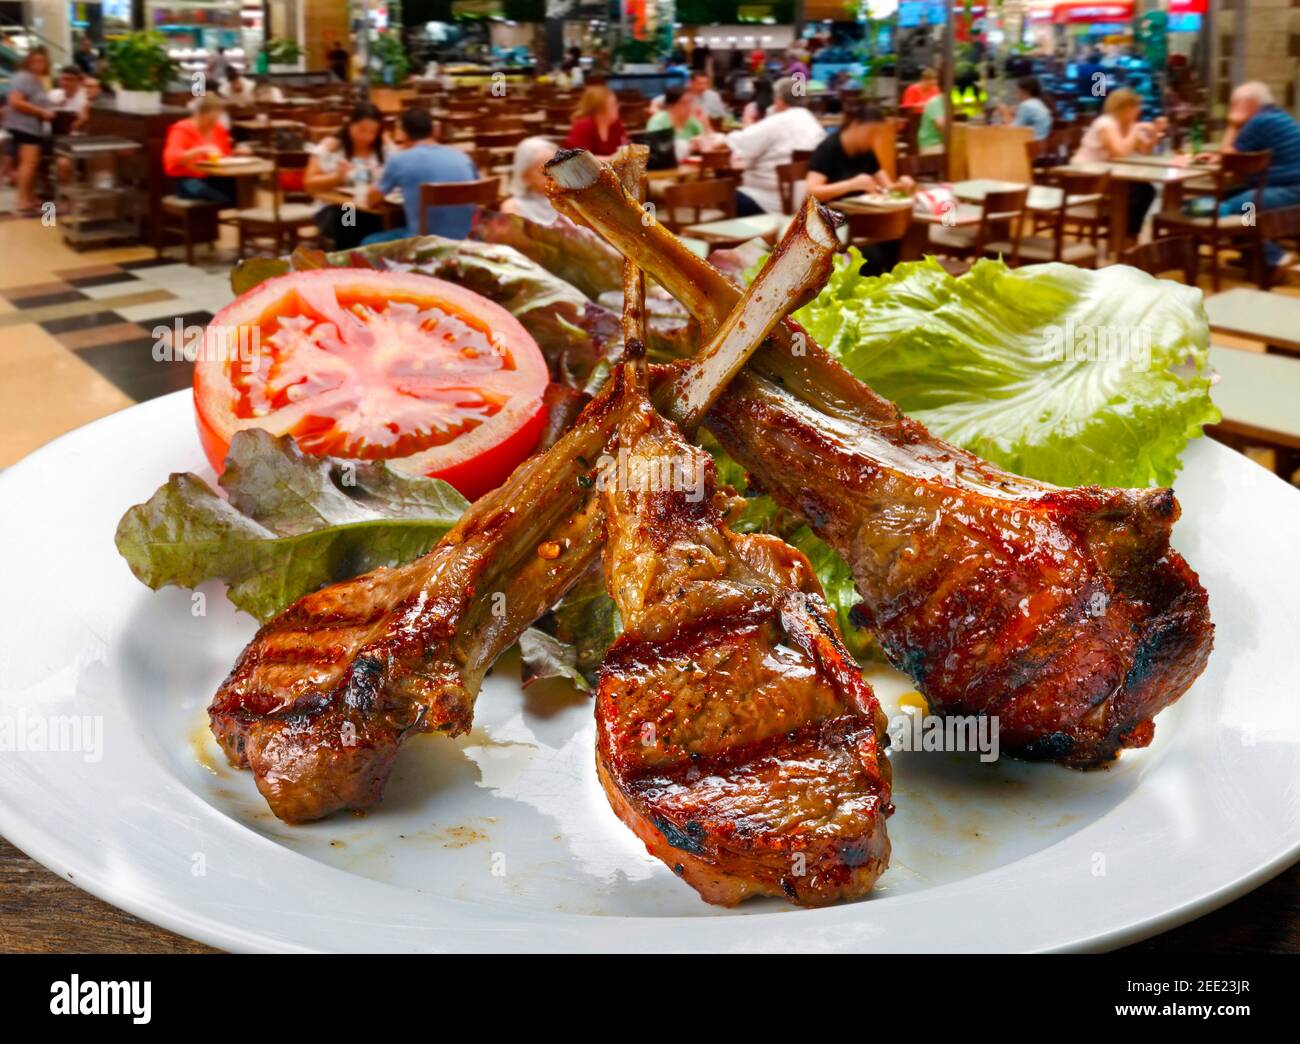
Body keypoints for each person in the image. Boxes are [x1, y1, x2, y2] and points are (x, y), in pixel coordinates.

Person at [1202, 81, 1300, 270]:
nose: (1232, 109)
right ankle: (1252, 257)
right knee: (1230, 198)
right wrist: (1218, 157)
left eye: (1234, 104)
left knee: (1238, 208)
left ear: (1248, 103)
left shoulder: (1259, 122)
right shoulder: (1276, 116)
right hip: (1288, 187)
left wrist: (1232, 125)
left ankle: (1276, 258)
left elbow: (1228, 160)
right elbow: (1239, 157)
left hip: (1291, 191)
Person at [363, 108, 478, 243]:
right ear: (434, 131)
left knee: (368, 242)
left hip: (423, 246)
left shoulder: (400, 160)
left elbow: (371, 200)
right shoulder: (462, 157)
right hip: (466, 243)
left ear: (403, 133)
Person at [724, 76, 826, 215]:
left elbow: (740, 142)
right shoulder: (813, 123)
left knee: (720, 194)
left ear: (779, 99)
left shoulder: (778, 121)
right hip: (806, 201)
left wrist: (724, 136)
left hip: (767, 200)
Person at [1073, 87, 1165, 236]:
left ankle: (1124, 234)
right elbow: (1120, 152)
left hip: (1106, 176)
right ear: (1124, 108)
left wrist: (1154, 131)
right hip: (1086, 177)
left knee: (1146, 190)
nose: (1139, 111)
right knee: (1141, 192)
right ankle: (1122, 234)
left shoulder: (1127, 125)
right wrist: (1136, 130)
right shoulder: (1106, 123)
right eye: (1135, 107)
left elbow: (1145, 150)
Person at [305, 103, 387, 249]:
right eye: (361, 130)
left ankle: (372, 265)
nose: (367, 137)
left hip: (372, 207)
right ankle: (348, 265)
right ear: (350, 125)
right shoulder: (333, 147)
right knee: (350, 219)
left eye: (373, 132)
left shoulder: (382, 149)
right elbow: (309, 184)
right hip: (335, 208)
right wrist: (337, 178)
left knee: (388, 221)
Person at [805, 105, 914, 203]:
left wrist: (901, 186)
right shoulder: (828, 148)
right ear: (855, 125)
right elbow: (811, 193)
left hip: (859, 214)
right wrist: (851, 185)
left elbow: (887, 187)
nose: (873, 139)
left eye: (877, 135)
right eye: (871, 133)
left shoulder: (866, 150)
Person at [163, 95, 243, 206]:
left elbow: (224, 156)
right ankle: (208, 221)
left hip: (213, 177)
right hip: (187, 179)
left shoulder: (218, 129)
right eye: (211, 119)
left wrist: (236, 153)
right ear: (199, 114)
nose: (213, 123)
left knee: (242, 191)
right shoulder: (181, 129)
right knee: (221, 199)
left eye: (216, 119)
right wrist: (201, 150)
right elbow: (172, 157)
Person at [4, 48, 55, 215]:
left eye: (42, 61)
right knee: (29, 163)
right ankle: (22, 200)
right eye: (35, 61)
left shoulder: (36, 79)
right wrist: (41, 112)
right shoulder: (24, 77)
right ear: (28, 62)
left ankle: (30, 197)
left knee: (31, 163)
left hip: (30, 126)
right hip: (25, 126)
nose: (38, 65)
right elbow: (15, 101)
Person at [502, 136, 560, 225]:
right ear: (525, 176)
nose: (553, 178)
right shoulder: (513, 208)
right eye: (545, 173)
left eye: (556, 170)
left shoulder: (568, 205)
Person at [563, 85, 627, 158]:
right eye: (613, 104)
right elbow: (580, 159)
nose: (618, 107)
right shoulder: (583, 126)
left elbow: (624, 150)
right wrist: (612, 159)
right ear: (600, 109)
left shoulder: (616, 124)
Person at [646, 87, 706, 160]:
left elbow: (705, 141)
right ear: (671, 105)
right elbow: (656, 150)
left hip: (690, 167)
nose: (690, 107)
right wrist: (688, 146)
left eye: (691, 103)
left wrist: (701, 142)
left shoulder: (692, 122)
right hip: (665, 168)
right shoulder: (657, 121)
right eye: (684, 103)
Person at [1002, 76, 1052, 141]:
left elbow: (1011, 130)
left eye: (1018, 89)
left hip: (1031, 145)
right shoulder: (1037, 102)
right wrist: (1014, 112)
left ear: (1026, 91)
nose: (1016, 92)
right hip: (1040, 142)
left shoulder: (1026, 105)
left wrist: (1005, 112)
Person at [48, 66, 91, 133]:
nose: (65, 83)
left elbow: (84, 119)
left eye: (70, 79)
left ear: (79, 81)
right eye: (62, 79)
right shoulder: (53, 94)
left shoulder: (86, 97)